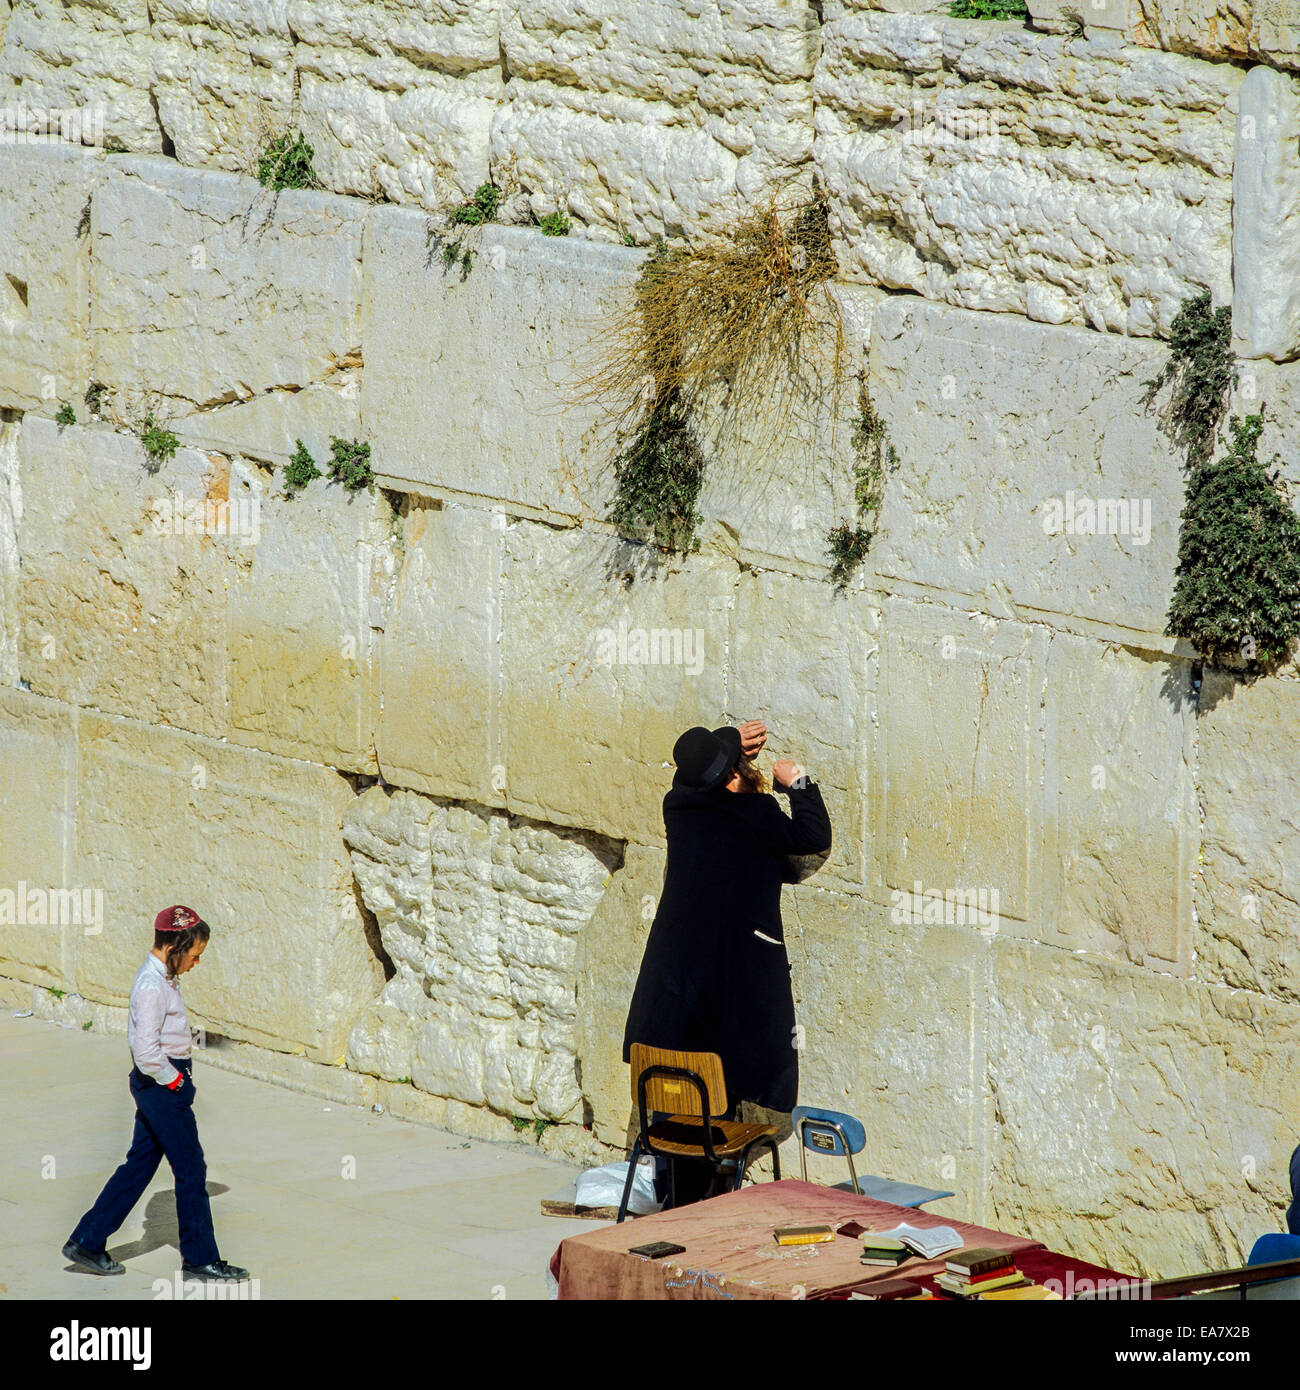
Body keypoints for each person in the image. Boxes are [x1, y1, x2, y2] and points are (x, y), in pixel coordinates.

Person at [621, 720, 832, 1202]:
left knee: (691, 1077)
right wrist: (796, 782)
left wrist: (725, 746)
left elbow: (691, 779)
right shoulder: (757, 814)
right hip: (734, 980)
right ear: (736, 776)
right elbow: (811, 835)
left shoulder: (678, 808)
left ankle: (682, 1196)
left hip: (677, 984)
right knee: (727, 1078)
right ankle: (708, 1200)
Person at [62, 905, 249, 1283]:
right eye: (194, 954)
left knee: (139, 1165)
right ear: (175, 946)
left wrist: (207, 1041)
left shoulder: (165, 979)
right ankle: (200, 1259)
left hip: (160, 1084)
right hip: (162, 1086)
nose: (196, 962)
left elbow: (171, 1032)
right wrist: (176, 1081)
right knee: (191, 1170)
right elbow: (146, 1051)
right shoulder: (151, 986)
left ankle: (87, 1240)